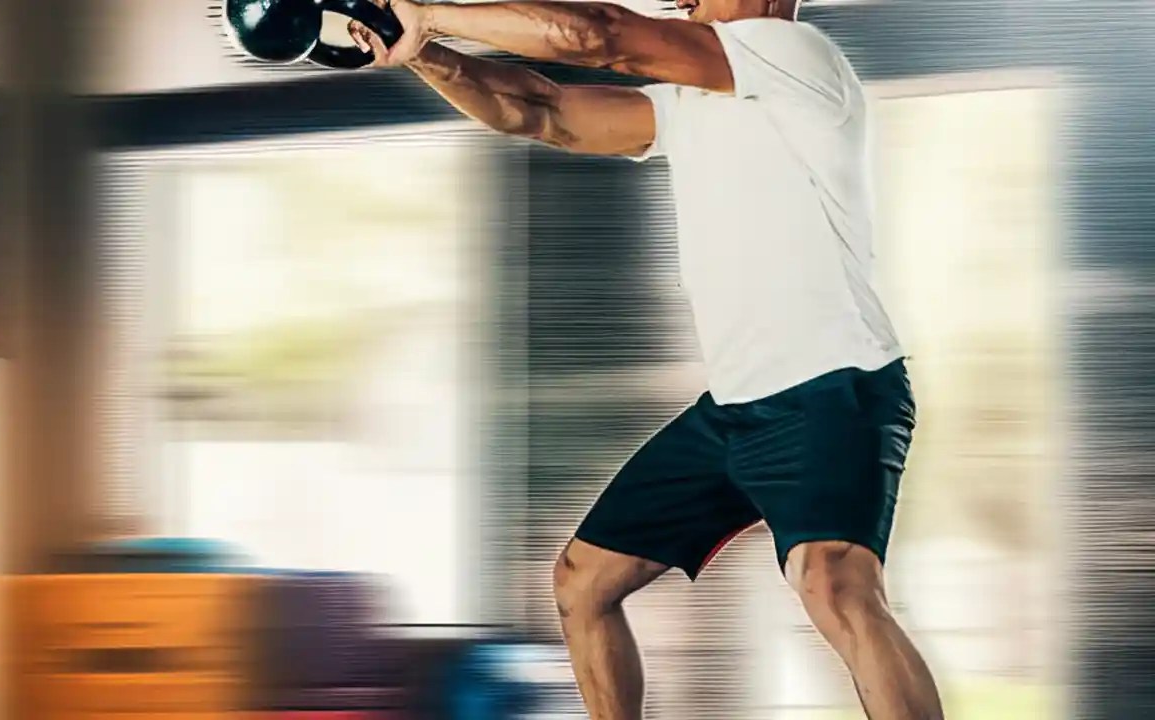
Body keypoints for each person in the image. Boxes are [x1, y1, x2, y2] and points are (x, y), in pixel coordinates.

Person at [349, 0, 944, 717]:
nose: (679, 1)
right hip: (734, 410)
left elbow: (595, 37)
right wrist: (416, 49)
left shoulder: (792, 58)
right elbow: (537, 110)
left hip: (832, 387)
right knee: (582, 583)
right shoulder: (693, 101)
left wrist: (427, 12)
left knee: (834, 583)